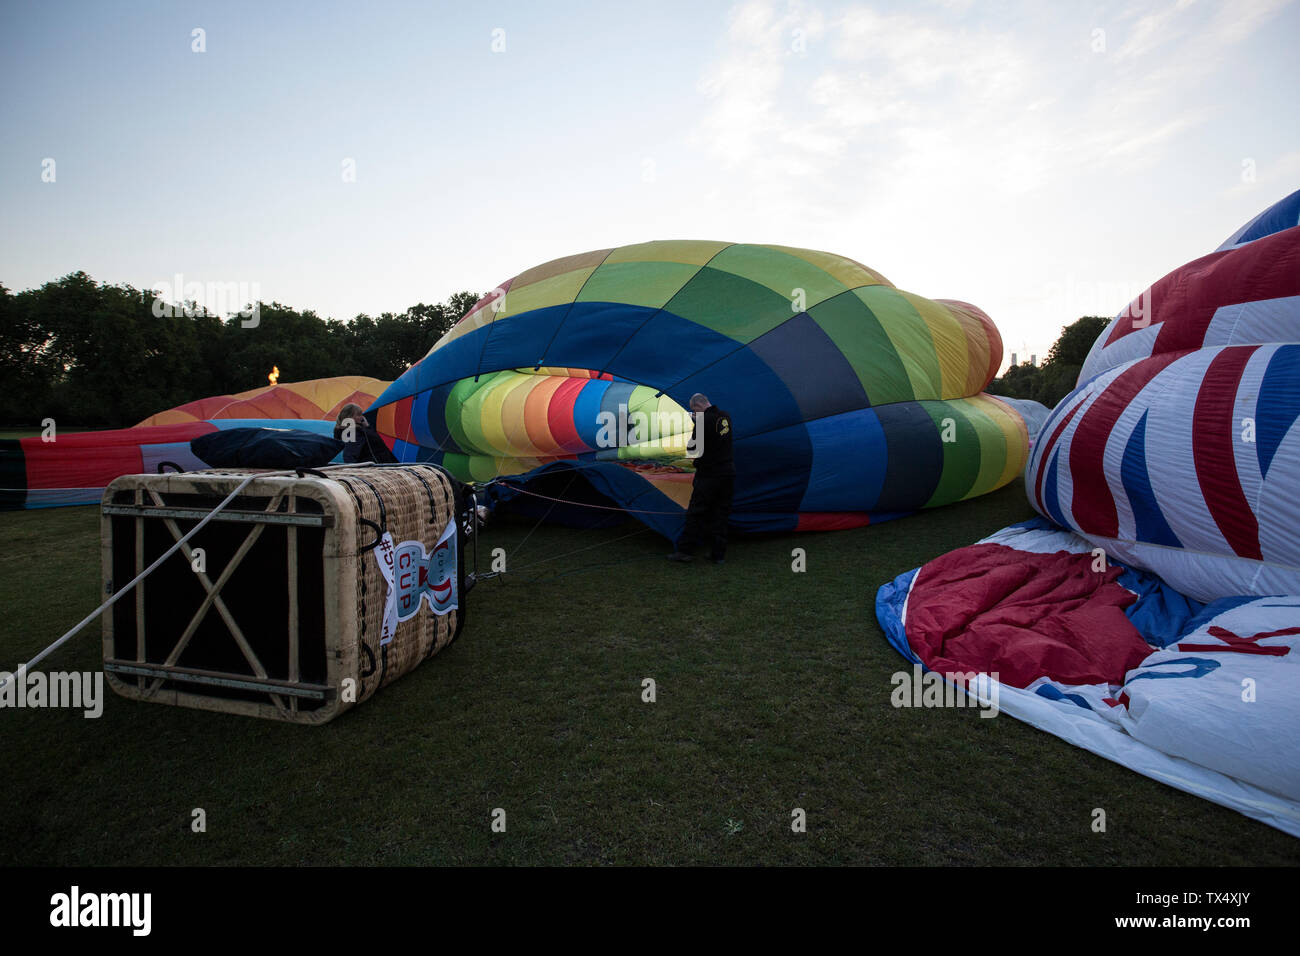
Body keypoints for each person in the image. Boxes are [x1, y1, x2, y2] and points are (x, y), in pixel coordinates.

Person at [669, 393, 734, 564]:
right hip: (727, 472)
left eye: (694, 410)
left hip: (709, 474)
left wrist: (696, 424)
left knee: (696, 512)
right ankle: (717, 554)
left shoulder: (703, 421)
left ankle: (685, 551)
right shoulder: (725, 417)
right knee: (721, 513)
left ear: (698, 406)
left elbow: (693, 450)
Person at [334, 403, 398, 464]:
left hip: (377, 465)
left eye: (362, 414)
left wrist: (367, 426)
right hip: (374, 467)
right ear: (349, 417)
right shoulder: (354, 432)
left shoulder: (360, 430)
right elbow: (350, 454)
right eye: (359, 415)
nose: (362, 417)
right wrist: (351, 470)